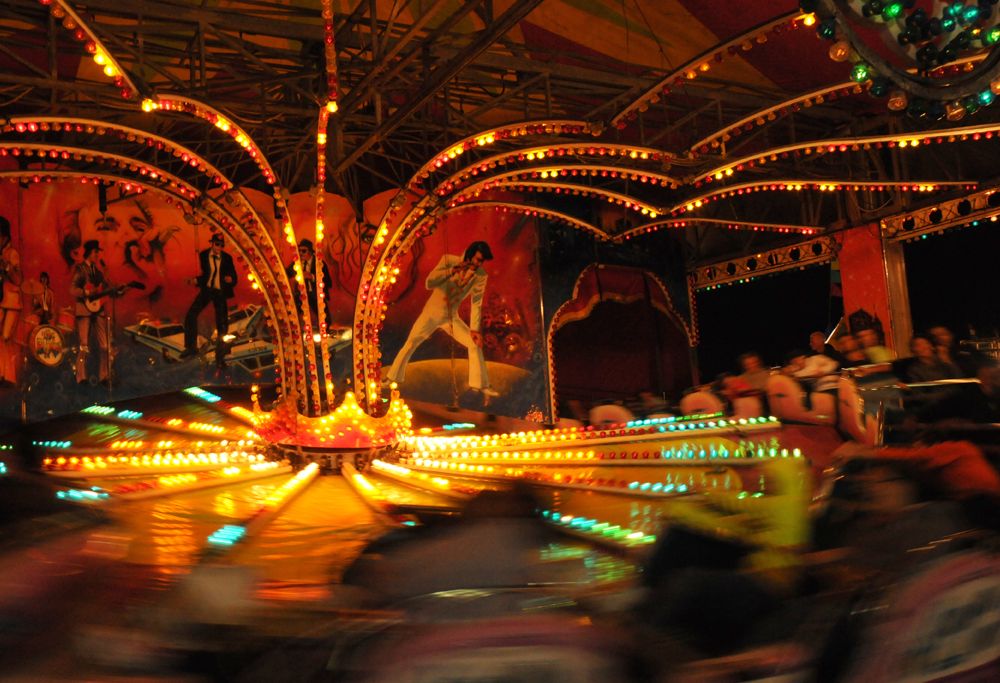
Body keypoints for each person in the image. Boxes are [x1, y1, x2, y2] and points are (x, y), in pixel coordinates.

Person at [385, 241, 499, 399]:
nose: (480, 264)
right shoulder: (449, 260)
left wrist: (474, 330)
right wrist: (452, 271)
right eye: (478, 259)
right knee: (411, 343)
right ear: (469, 255)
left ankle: (480, 385)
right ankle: (391, 378)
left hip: (451, 317)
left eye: (482, 261)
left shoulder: (481, 276)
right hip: (431, 313)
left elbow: (476, 303)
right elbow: (429, 283)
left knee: (474, 344)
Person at [181, 233, 236, 368]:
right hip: (207, 290)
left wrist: (231, 280)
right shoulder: (204, 255)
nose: (219, 248)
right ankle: (191, 347)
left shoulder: (227, 258)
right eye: (217, 244)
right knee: (191, 314)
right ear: (212, 244)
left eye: (222, 245)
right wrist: (196, 280)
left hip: (220, 292)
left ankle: (220, 357)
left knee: (222, 325)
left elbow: (234, 276)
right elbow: (206, 275)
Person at [70, 240, 115, 385]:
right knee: (84, 344)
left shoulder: (99, 272)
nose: (97, 255)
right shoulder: (80, 269)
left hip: (98, 310)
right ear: (90, 252)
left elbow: (105, 288)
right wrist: (87, 292)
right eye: (96, 252)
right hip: (84, 310)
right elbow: (73, 289)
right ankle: (81, 377)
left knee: (105, 345)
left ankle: (104, 376)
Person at [285, 238, 331, 327]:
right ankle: (293, 329)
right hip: (301, 294)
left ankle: (325, 330)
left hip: (315, 294)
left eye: (304, 251)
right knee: (292, 311)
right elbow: (287, 273)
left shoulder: (319, 264)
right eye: (299, 251)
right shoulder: (297, 264)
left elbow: (328, 281)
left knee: (323, 315)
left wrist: (312, 276)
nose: (301, 253)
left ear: (310, 252)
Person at [0, 216, 23, 386]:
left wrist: (6, 267)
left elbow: (18, 280)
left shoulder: (12, 254)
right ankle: (2, 374)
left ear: (5, 236)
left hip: (12, 301)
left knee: (6, 337)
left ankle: (10, 376)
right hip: (1, 300)